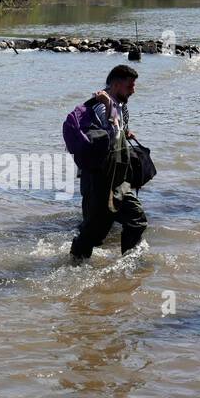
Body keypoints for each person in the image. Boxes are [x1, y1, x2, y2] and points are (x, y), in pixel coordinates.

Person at [70, 57, 148, 264]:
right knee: (94, 230)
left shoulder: (119, 104)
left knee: (136, 219)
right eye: (130, 86)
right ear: (115, 84)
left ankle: (129, 264)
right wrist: (111, 111)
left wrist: (126, 131)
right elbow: (111, 134)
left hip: (116, 177)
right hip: (99, 178)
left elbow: (117, 130)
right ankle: (74, 264)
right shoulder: (101, 106)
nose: (133, 90)